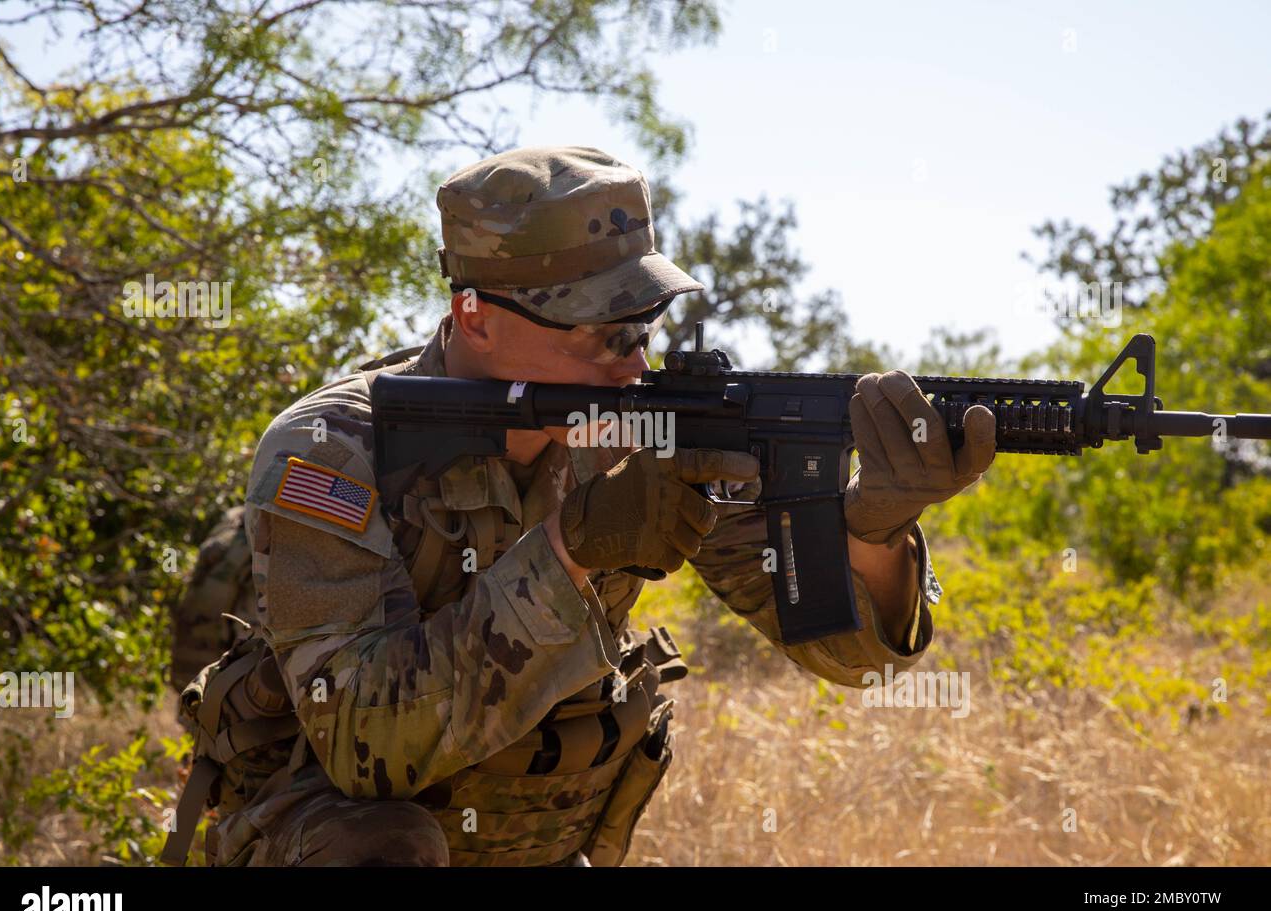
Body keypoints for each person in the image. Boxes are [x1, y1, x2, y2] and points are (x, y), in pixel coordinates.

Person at [163, 145, 996, 867]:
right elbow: (364, 745)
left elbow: (853, 663)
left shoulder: (646, 426)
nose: (635, 364)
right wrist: (571, 550)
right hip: (342, 838)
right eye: (605, 334)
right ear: (475, 316)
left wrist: (870, 532)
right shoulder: (336, 450)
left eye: (645, 325)